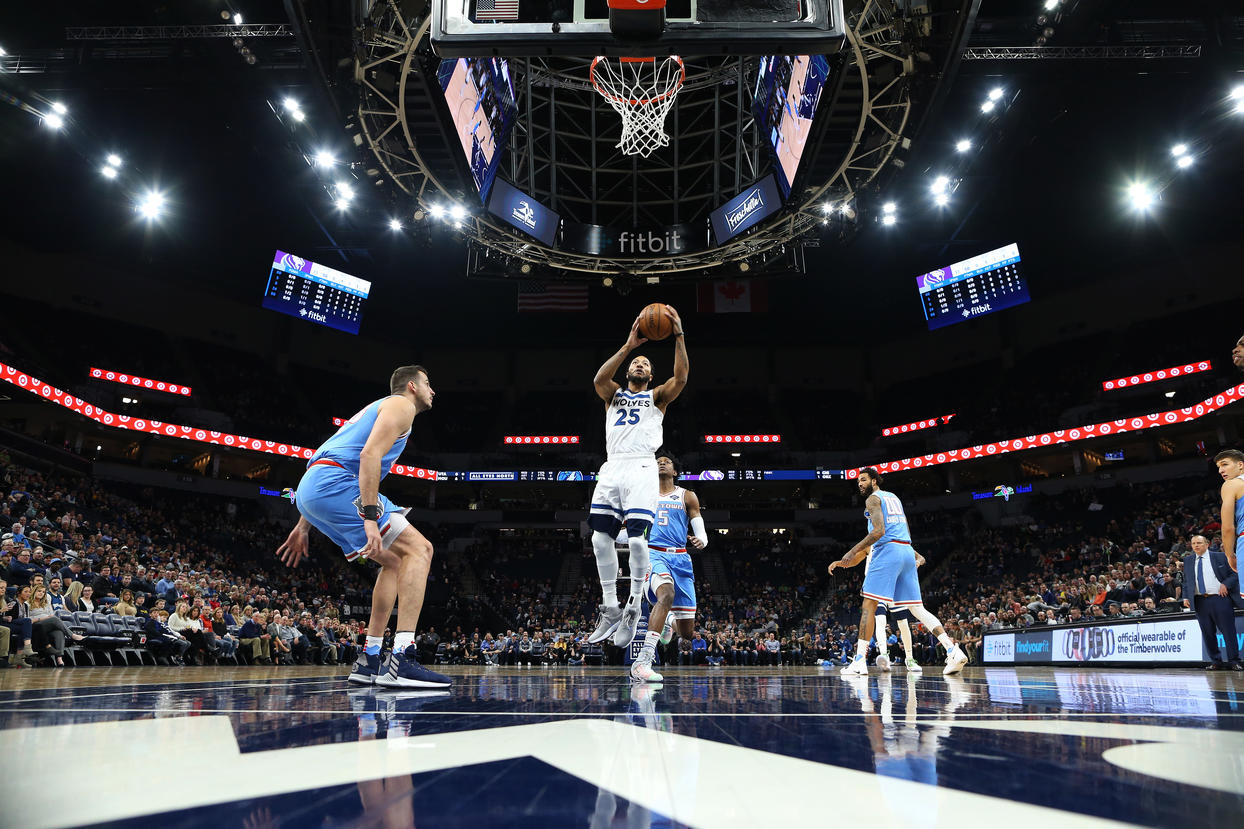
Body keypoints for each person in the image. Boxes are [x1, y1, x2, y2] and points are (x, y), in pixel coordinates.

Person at [278, 365, 450, 689]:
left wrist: (304, 523)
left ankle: (370, 657)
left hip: (312, 488)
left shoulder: (375, 409)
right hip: (335, 483)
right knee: (421, 548)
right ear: (411, 386)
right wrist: (370, 518)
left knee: (394, 561)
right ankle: (404, 658)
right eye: (429, 383)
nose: (433, 390)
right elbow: (369, 456)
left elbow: (332, 456)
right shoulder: (402, 405)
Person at [587, 309, 689, 651]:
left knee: (636, 541)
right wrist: (628, 346)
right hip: (612, 466)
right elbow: (599, 380)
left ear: (651, 374)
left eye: (646, 363)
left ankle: (633, 606)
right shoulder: (612, 395)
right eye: (636, 363)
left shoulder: (657, 396)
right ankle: (612, 606)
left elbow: (682, 378)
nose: (640, 365)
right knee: (600, 539)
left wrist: (678, 337)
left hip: (642, 466)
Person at [829, 468, 969, 676]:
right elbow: (904, 532)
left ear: (875, 481)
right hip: (906, 550)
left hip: (888, 552)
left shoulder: (873, 499)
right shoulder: (893, 498)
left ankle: (859, 661)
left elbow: (879, 531)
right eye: (858, 481)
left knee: (869, 604)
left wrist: (852, 550)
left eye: (864, 480)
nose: (859, 483)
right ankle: (952, 649)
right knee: (917, 609)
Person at [631, 452, 705, 682]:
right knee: (666, 594)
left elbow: (699, 525)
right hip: (653, 554)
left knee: (686, 633)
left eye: (667, 462)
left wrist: (702, 539)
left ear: (675, 471)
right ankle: (643, 662)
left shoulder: (687, 496)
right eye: (658, 462)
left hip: (681, 559)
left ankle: (668, 624)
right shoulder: (644, 495)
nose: (662, 463)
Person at [1183, 534, 1242, 670]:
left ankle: (1234, 661)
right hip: (1199, 601)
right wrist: (1186, 597)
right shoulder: (1188, 560)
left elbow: (1234, 574)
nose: (1196, 546)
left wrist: (1226, 584)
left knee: (1228, 632)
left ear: (1207, 544)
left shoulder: (1220, 556)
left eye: (1199, 543)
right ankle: (1216, 661)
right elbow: (1186, 581)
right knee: (1207, 633)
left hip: (1219, 599)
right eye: (1193, 544)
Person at [1216, 449, 1244, 578]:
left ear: (1240, 465)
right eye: (1219, 467)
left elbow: (1228, 527)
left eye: (1224, 464)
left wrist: (1229, 554)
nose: (1220, 470)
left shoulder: (1231, 484)